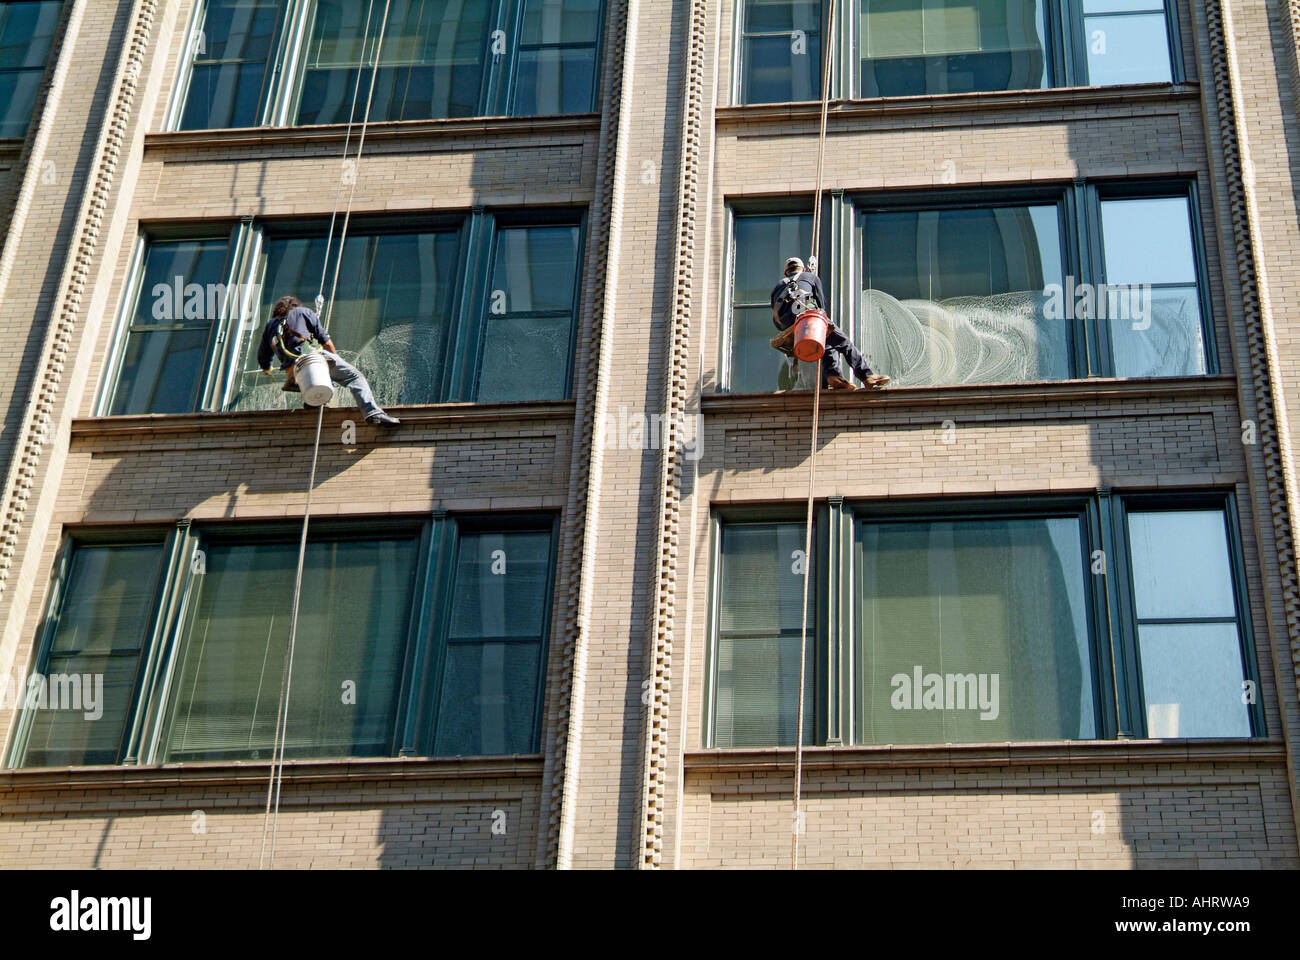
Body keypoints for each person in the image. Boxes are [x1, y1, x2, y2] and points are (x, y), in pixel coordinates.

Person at [257, 295, 400, 426]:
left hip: (293, 372)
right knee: (354, 377)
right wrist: (335, 360)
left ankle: (315, 403)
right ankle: (372, 413)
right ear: (295, 305)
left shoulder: (270, 326)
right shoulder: (303, 312)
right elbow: (326, 342)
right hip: (311, 361)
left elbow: (262, 357)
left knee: (320, 384)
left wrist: (267, 369)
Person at [770, 256, 889, 390]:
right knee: (844, 343)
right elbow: (821, 305)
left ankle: (833, 375)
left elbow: (776, 318)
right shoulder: (810, 276)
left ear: (786, 272)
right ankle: (867, 376)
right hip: (808, 319)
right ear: (802, 268)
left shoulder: (777, 287)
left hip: (791, 327)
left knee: (827, 341)